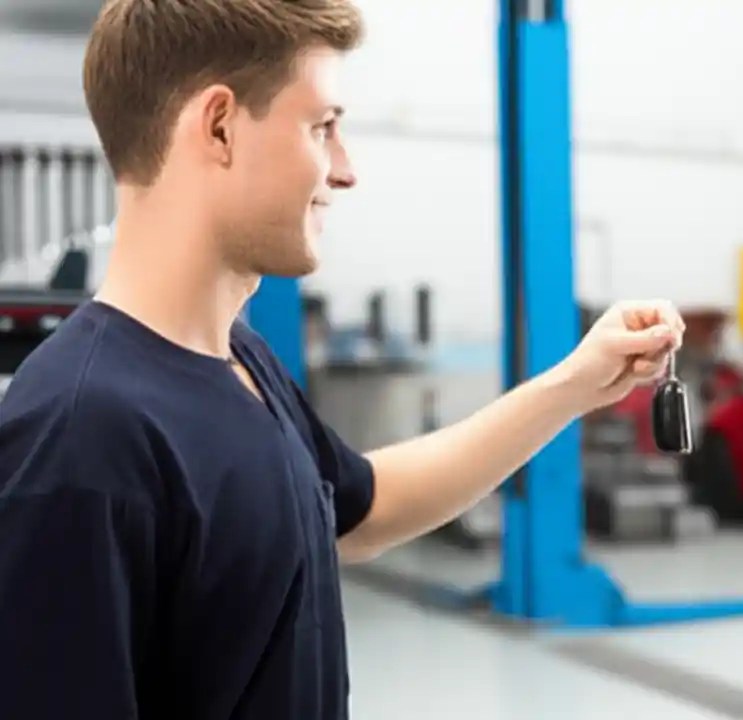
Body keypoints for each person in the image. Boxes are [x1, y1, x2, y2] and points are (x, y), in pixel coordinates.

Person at [0, 2, 684, 719]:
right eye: (322, 127)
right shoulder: (80, 438)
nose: (346, 169)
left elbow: (360, 510)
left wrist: (575, 385)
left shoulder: (242, 362)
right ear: (221, 126)